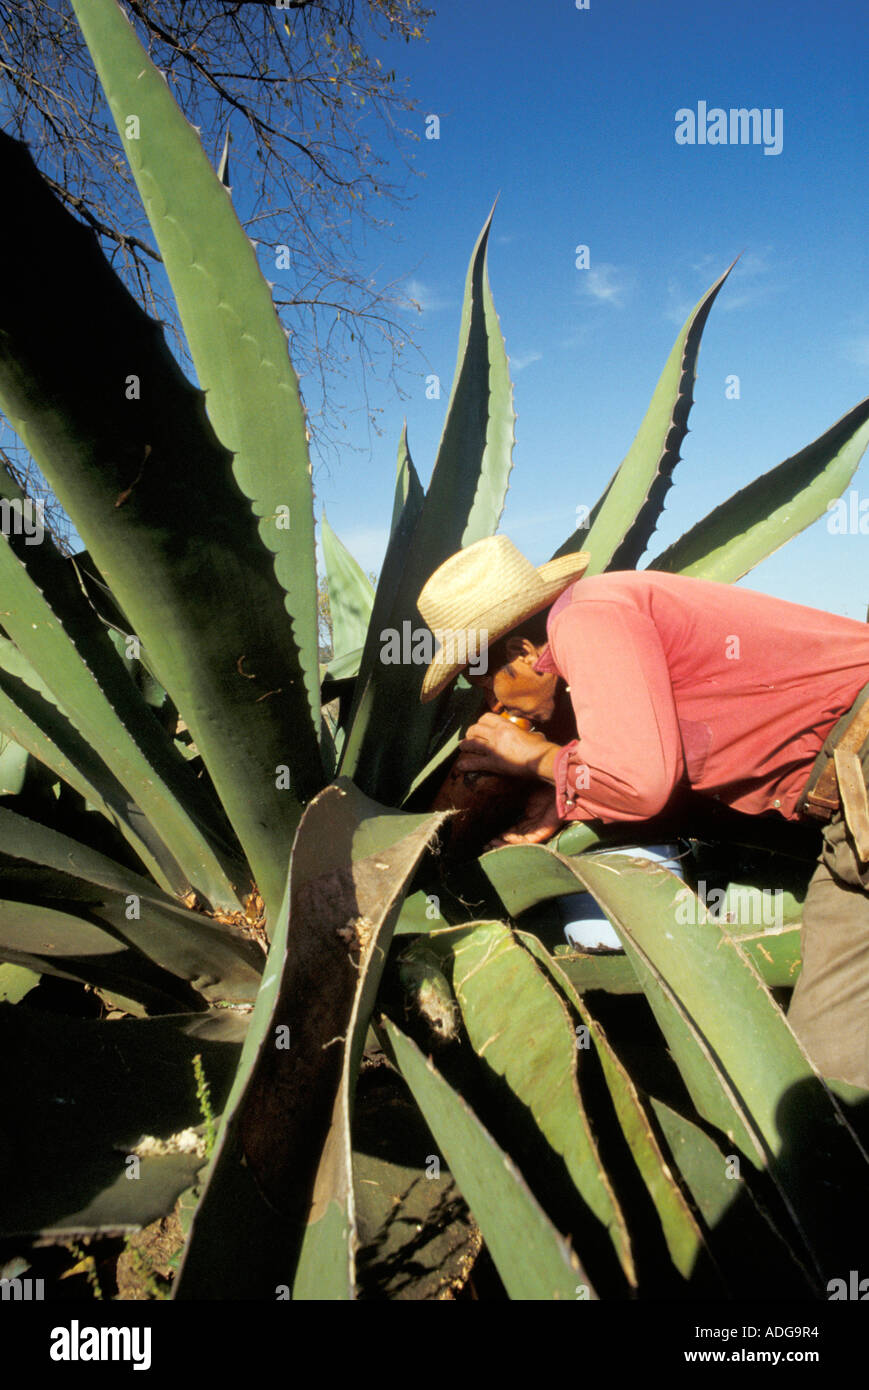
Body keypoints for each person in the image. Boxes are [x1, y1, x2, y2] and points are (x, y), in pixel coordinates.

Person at [416, 534, 869, 1090]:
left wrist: (537, 759)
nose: (491, 703)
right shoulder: (605, 617)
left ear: (521, 655)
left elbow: (644, 783)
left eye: (482, 682)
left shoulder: (586, 617)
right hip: (848, 818)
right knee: (832, 1072)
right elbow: (672, 767)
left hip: (859, 766)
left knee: (827, 1077)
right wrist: (564, 791)